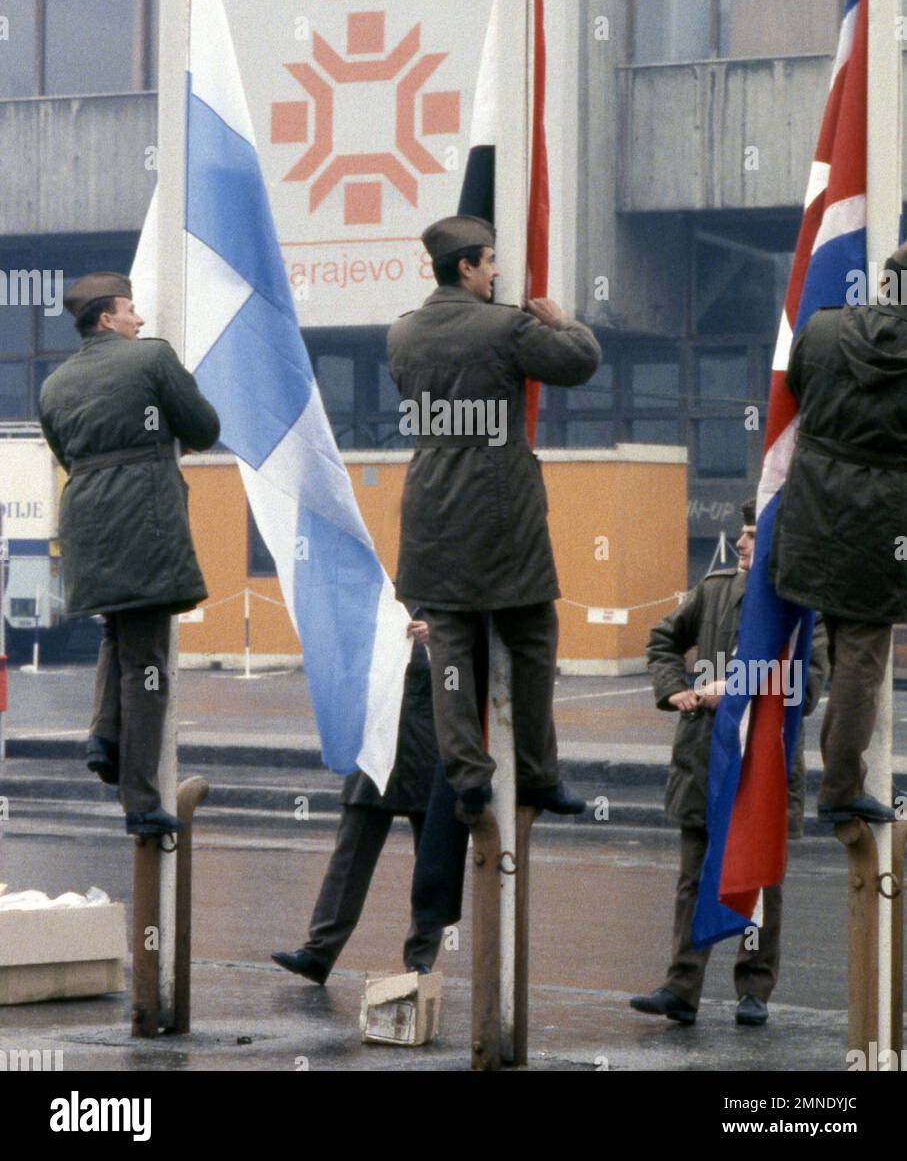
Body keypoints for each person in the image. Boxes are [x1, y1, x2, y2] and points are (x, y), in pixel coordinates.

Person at [387, 214, 601, 822]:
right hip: (499, 499)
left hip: (430, 499)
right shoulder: (505, 328)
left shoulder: (400, 334)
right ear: (467, 267)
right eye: (490, 262)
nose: (497, 272)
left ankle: (467, 773)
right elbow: (578, 364)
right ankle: (538, 772)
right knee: (532, 634)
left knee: (450, 645)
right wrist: (563, 322)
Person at [631, 500, 829, 1027]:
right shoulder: (714, 591)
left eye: (749, 535)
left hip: (765, 764)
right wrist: (675, 690)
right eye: (740, 534)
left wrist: (734, 691)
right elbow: (662, 640)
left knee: (761, 876)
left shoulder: (802, 608)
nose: (740, 544)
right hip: (706, 759)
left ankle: (754, 989)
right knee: (693, 879)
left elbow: (804, 690)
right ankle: (681, 987)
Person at [38, 273, 220, 839]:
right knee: (147, 663)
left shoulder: (54, 384)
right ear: (107, 320)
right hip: (142, 519)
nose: (140, 320)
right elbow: (205, 428)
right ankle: (141, 801)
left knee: (118, 633)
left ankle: (104, 737)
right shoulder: (149, 360)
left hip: (86, 518)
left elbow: (66, 449)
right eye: (131, 310)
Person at [770, 243, 907, 825]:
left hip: (809, 512)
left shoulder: (822, 329)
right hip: (880, 522)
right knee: (862, 654)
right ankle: (841, 784)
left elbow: (797, 392)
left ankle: (767, 778)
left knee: (791, 641)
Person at [271, 616, 448, 983]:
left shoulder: (452, 607)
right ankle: (318, 953)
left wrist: (439, 637)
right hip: (374, 750)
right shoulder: (384, 605)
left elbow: (476, 659)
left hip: (432, 754)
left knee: (433, 867)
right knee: (348, 860)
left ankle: (420, 961)